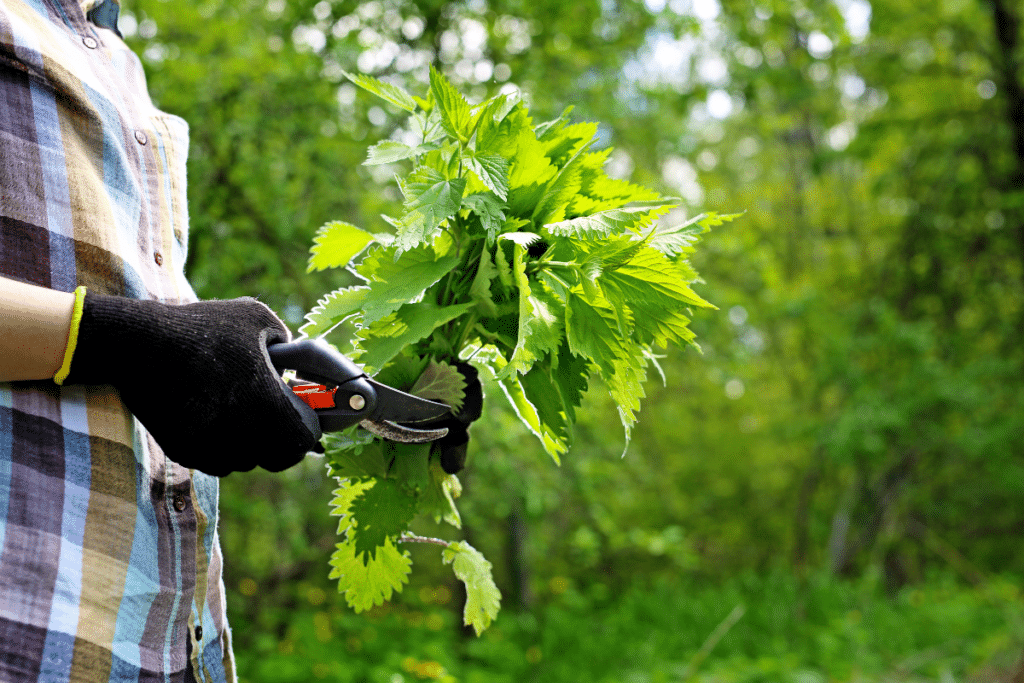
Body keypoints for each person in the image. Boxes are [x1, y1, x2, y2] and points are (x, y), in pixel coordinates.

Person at [0, 1, 321, 680]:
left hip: (159, 643)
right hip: (25, 624)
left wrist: (382, 401)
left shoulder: (116, 58)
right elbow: (147, 344)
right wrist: (120, 340)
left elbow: (174, 360)